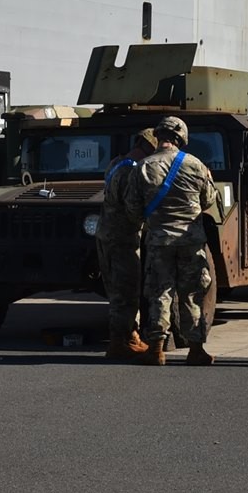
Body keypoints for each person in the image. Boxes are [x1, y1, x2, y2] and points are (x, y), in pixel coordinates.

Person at [135, 114, 218, 366]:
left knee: (160, 292)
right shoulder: (196, 165)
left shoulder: (144, 166)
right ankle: (196, 349)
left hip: (159, 240)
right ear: (181, 137)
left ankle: (157, 348)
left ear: (158, 136)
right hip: (191, 241)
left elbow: (132, 205)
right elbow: (208, 201)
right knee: (192, 294)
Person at [97, 128, 156, 360]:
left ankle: (127, 337)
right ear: (148, 146)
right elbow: (132, 209)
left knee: (116, 288)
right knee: (127, 289)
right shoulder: (133, 171)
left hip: (106, 233)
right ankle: (122, 342)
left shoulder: (116, 164)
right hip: (123, 237)